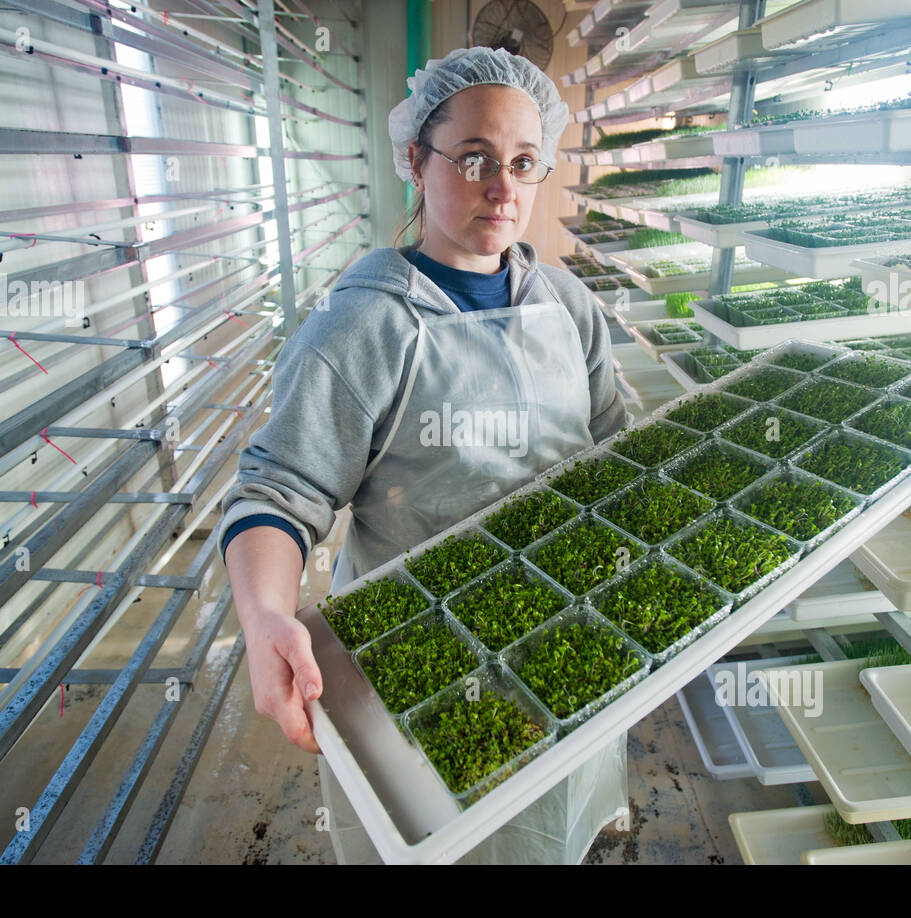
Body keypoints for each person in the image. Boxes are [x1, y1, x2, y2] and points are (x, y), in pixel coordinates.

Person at [219, 45, 633, 864]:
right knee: (444, 839)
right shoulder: (363, 324)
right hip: (418, 655)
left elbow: (617, 453)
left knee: (545, 831)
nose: (502, 187)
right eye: (474, 158)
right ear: (415, 159)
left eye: (523, 162)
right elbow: (277, 490)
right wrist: (266, 615)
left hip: (564, 639)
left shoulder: (567, 306)